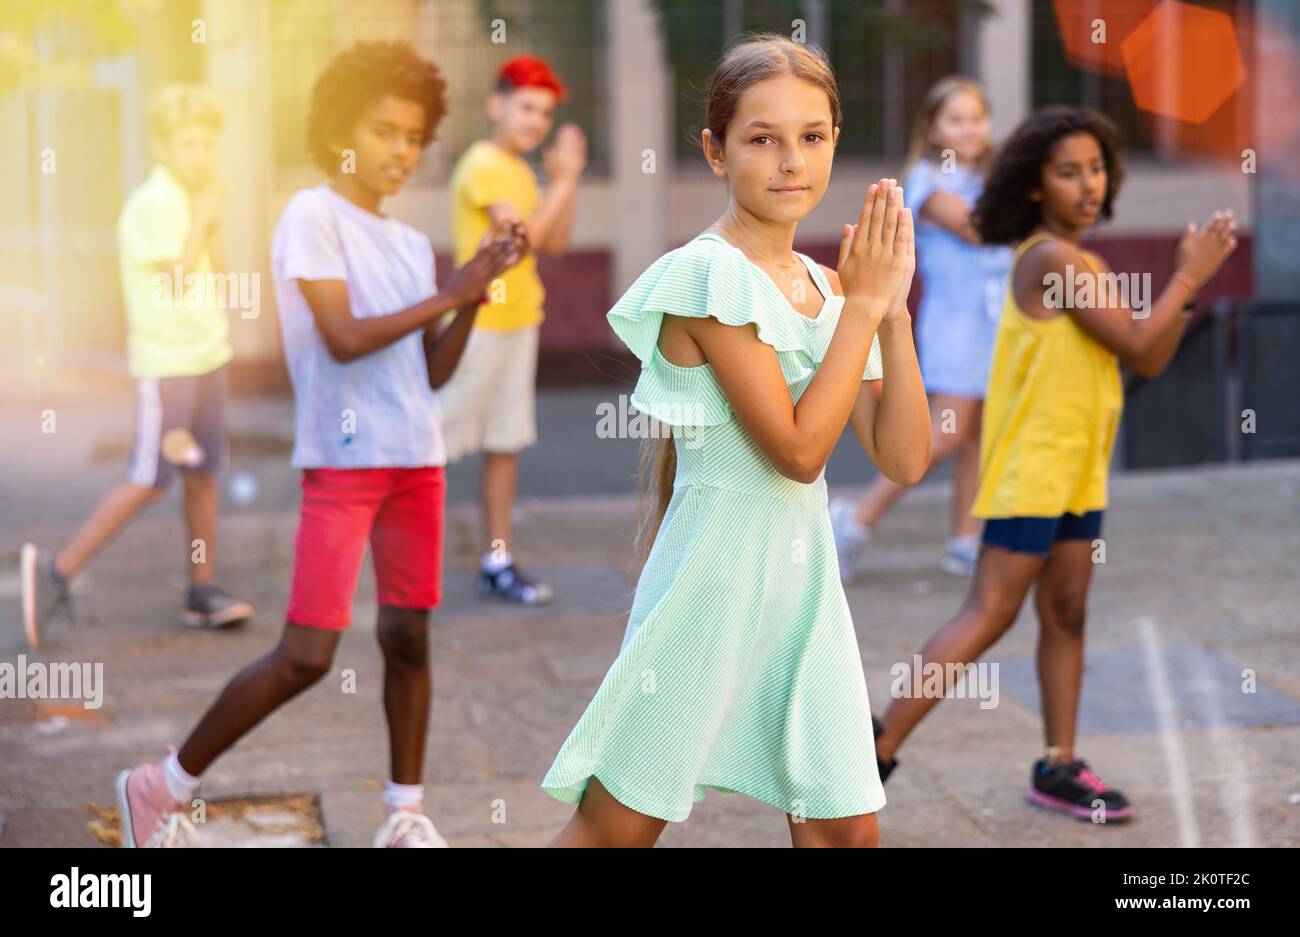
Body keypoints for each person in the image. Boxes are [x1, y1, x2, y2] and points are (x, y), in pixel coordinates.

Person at [113, 40, 527, 848]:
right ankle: (158, 785)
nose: (400, 151)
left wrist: (473, 290)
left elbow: (430, 369)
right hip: (342, 463)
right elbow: (340, 336)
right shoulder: (311, 215)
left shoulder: (409, 244)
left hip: (416, 459)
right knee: (306, 652)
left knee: (409, 637)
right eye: (381, 131)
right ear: (340, 128)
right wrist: (452, 289)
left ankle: (403, 813)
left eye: (413, 136)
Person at [541, 34, 930, 847]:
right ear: (716, 151)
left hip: (805, 590)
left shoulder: (832, 287)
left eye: (813, 137)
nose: (792, 162)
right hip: (711, 586)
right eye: (763, 139)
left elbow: (903, 457)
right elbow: (797, 452)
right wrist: (861, 312)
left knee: (844, 829)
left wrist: (890, 314)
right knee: (616, 827)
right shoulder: (707, 276)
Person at [870, 107, 1238, 822]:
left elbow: (1153, 356)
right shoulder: (1049, 259)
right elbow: (1137, 342)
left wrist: (1186, 287)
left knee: (1066, 613)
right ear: (1035, 187)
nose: (1088, 184)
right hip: (1031, 470)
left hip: (1076, 468)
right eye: (1067, 172)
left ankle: (1058, 763)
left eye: (1096, 168)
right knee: (989, 612)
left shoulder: (1081, 260)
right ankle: (877, 746)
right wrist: (1189, 274)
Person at [21, 84, 253, 647]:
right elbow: (175, 277)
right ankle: (57, 570)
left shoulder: (194, 201)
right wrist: (203, 214)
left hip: (207, 357)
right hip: (168, 364)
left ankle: (201, 592)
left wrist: (214, 222)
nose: (201, 154)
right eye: (188, 144)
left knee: (204, 473)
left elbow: (219, 273)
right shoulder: (153, 202)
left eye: (207, 144)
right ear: (162, 146)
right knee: (152, 477)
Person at [831, 76, 1012, 580]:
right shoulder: (931, 179)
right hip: (956, 324)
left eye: (977, 117)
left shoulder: (989, 177)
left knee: (977, 435)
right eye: (956, 119)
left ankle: (965, 540)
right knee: (946, 435)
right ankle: (855, 520)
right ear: (932, 128)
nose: (970, 128)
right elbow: (981, 228)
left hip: (993, 321)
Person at [439, 55, 587, 605]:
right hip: (478, 326)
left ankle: (496, 561)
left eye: (545, 113)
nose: (534, 122)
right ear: (496, 105)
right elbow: (518, 244)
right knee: (436, 441)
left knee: (505, 444)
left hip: (520, 324)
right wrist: (565, 181)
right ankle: (400, 556)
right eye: (526, 107)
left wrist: (565, 183)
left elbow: (555, 242)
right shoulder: (482, 163)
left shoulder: (524, 171)